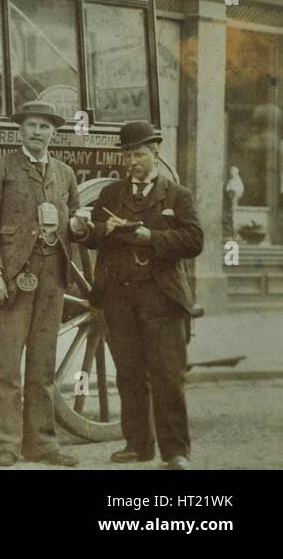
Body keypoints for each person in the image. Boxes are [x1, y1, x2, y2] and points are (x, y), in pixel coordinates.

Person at [71, 121, 203, 470]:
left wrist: (152, 238)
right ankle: (137, 444)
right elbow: (92, 236)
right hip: (120, 297)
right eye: (127, 155)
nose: (132, 162)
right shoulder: (112, 195)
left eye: (139, 154)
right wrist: (100, 229)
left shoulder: (177, 195)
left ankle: (175, 451)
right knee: (128, 372)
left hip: (162, 300)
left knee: (167, 376)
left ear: (155, 152)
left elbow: (194, 241)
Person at [0, 100, 83, 467]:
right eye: (32, 125)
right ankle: (6, 445)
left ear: (54, 133)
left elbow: (79, 220)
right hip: (13, 278)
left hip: (53, 274)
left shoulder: (65, 173)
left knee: (43, 366)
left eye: (45, 127)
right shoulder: (1, 168)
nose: (38, 132)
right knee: (8, 369)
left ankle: (43, 445)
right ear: (20, 130)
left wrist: (72, 223)